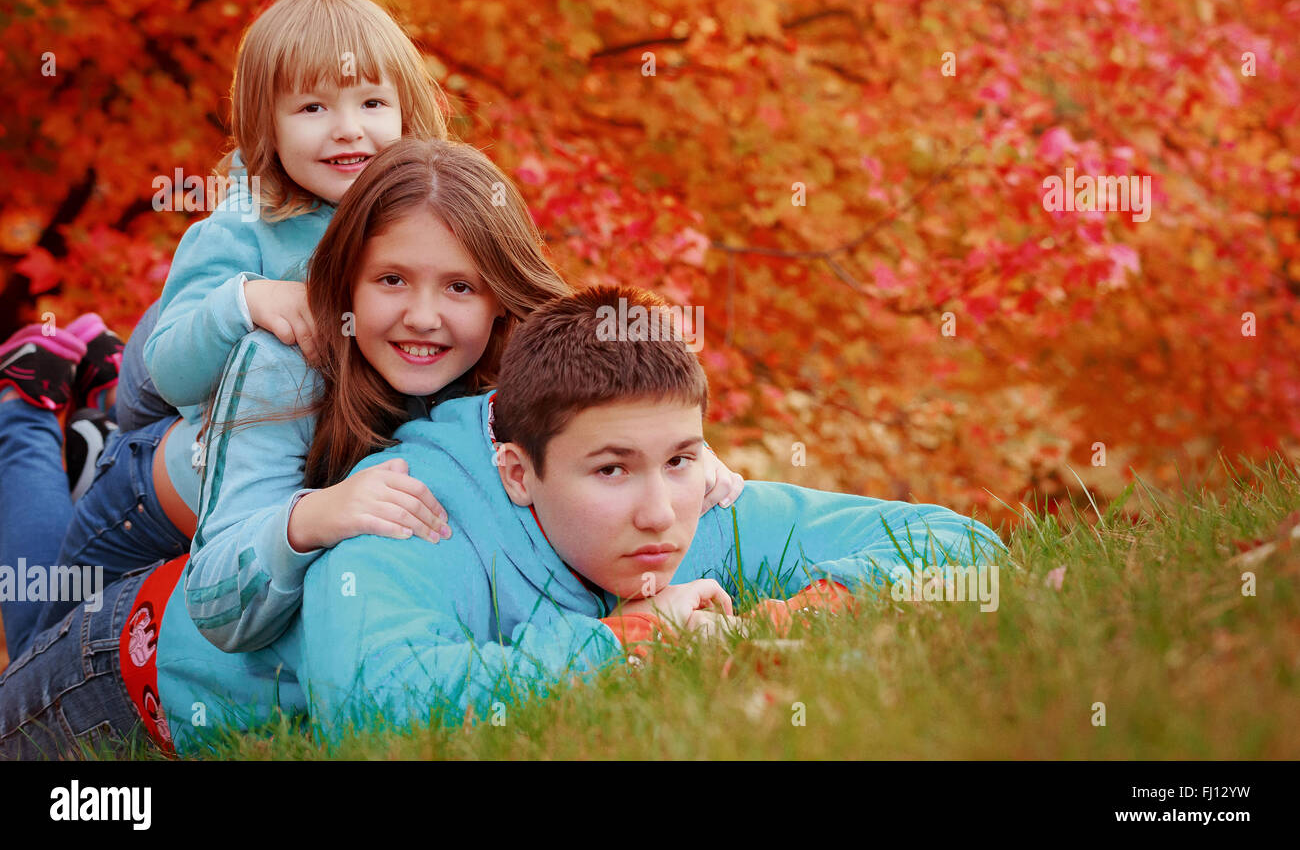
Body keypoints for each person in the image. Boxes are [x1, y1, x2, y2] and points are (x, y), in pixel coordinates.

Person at [0, 284, 1004, 758]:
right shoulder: (409, 513)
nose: (660, 509)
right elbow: (378, 712)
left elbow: (961, 547)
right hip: (127, 670)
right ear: (519, 472)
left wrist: (807, 610)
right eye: (610, 469)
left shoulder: (689, 507)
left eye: (681, 459)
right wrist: (629, 641)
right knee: (29, 605)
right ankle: (27, 410)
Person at [116, 0, 451, 441]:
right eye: (313, 107)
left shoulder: (429, 216)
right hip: (160, 401)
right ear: (267, 126)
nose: (348, 130)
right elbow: (171, 376)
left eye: (372, 103)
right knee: (135, 398)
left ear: (405, 113)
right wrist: (246, 301)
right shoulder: (239, 229)